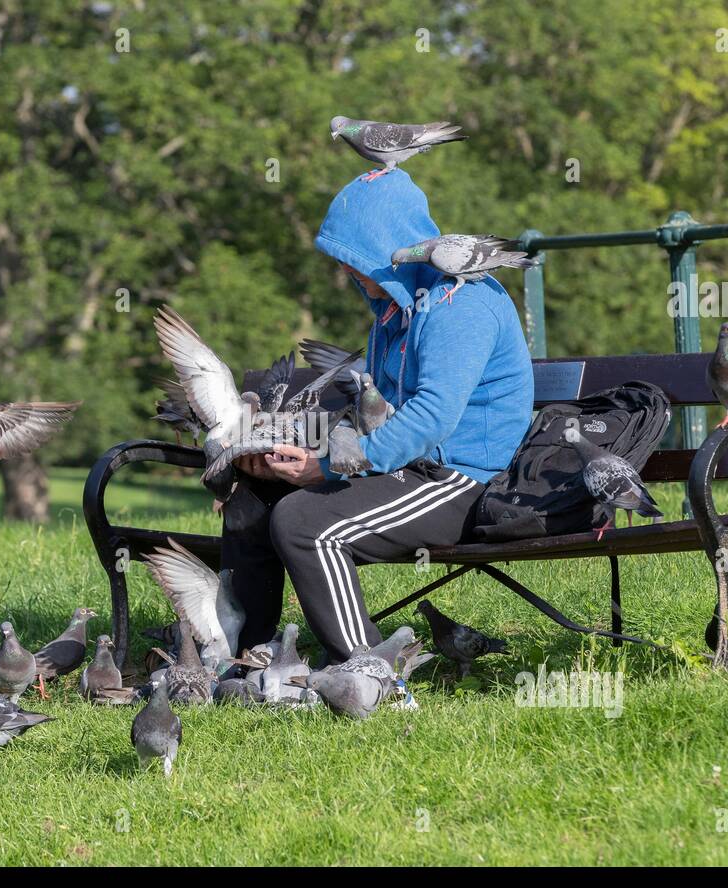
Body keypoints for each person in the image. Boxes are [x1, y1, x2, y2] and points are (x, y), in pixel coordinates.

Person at [220, 170, 534, 663]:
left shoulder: (463, 304)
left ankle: (369, 671)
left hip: (461, 479)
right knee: (256, 495)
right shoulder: (392, 314)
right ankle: (246, 657)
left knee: (306, 524)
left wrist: (327, 467)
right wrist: (286, 449)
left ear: (392, 249)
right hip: (404, 464)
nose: (348, 272)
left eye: (355, 259)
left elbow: (431, 418)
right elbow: (372, 415)